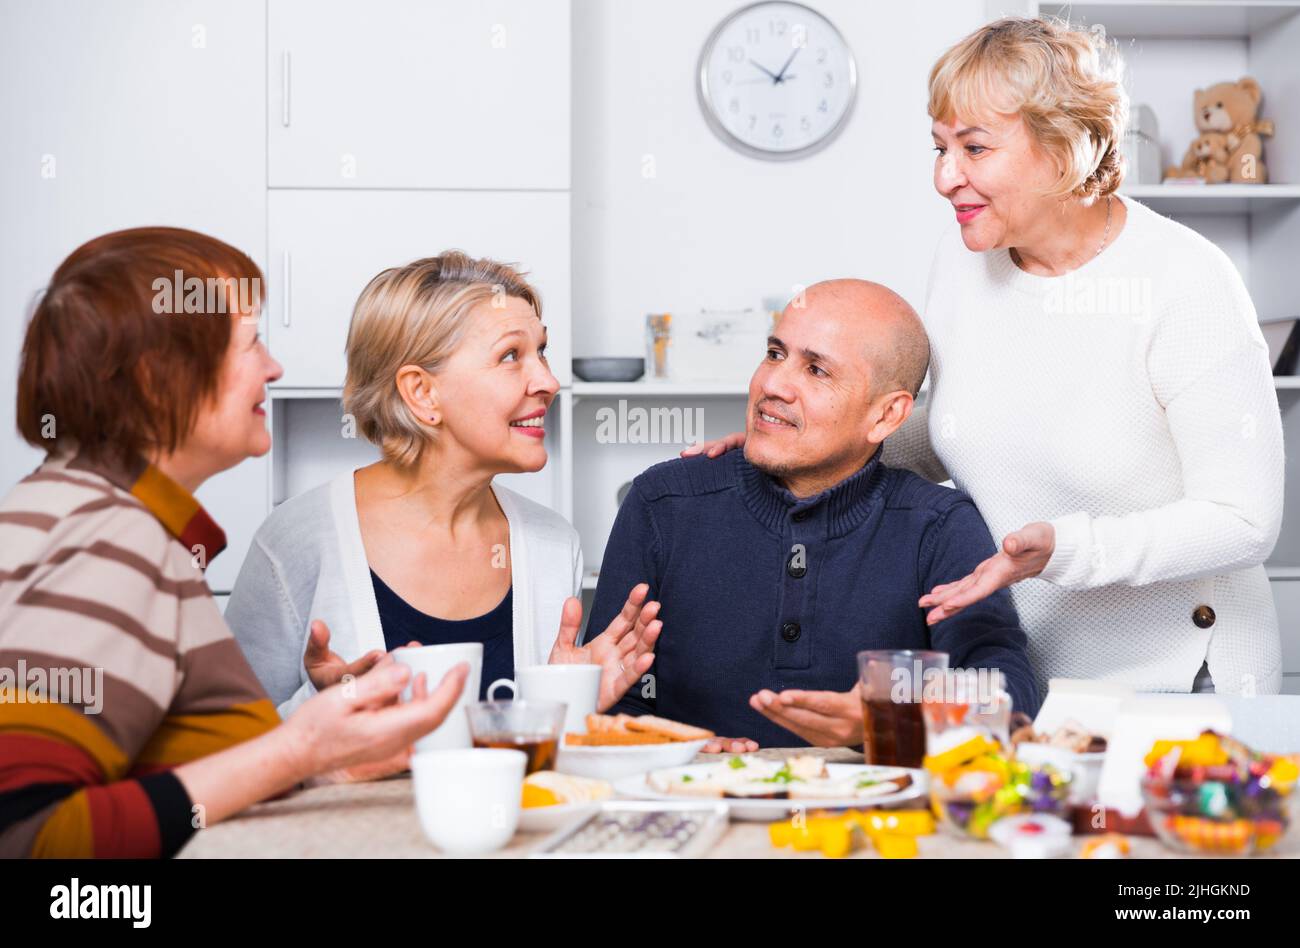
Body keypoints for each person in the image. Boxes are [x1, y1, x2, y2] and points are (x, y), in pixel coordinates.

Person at [687, 16, 1285, 701]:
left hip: (1185, 681)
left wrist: (1066, 549)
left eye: (974, 148)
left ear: (1066, 147)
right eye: (940, 148)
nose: (946, 177)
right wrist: (813, 443)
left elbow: (1244, 520)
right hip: (1030, 674)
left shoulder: (1186, 281)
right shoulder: (963, 262)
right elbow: (960, 426)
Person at [0, 227, 469, 857]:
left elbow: (154, 781)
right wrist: (298, 746)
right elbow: (28, 836)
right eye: (250, 343)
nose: (273, 367)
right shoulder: (110, 539)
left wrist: (316, 756)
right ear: (156, 380)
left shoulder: (77, 512)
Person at [588, 279, 1039, 749]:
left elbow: (1006, 696)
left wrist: (886, 722)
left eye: (817, 370)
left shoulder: (938, 526)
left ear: (886, 416)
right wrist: (675, 747)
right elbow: (611, 695)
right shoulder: (663, 502)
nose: (773, 384)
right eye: (775, 353)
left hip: (875, 816)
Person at [226, 253, 658, 717]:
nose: (549, 382)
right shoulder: (297, 542)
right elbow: (227, 751)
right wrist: (330, 702)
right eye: (511, 355)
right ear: (422, 393)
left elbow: (529, 764)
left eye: (542, 351)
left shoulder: (551, 545)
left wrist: (565, 708)